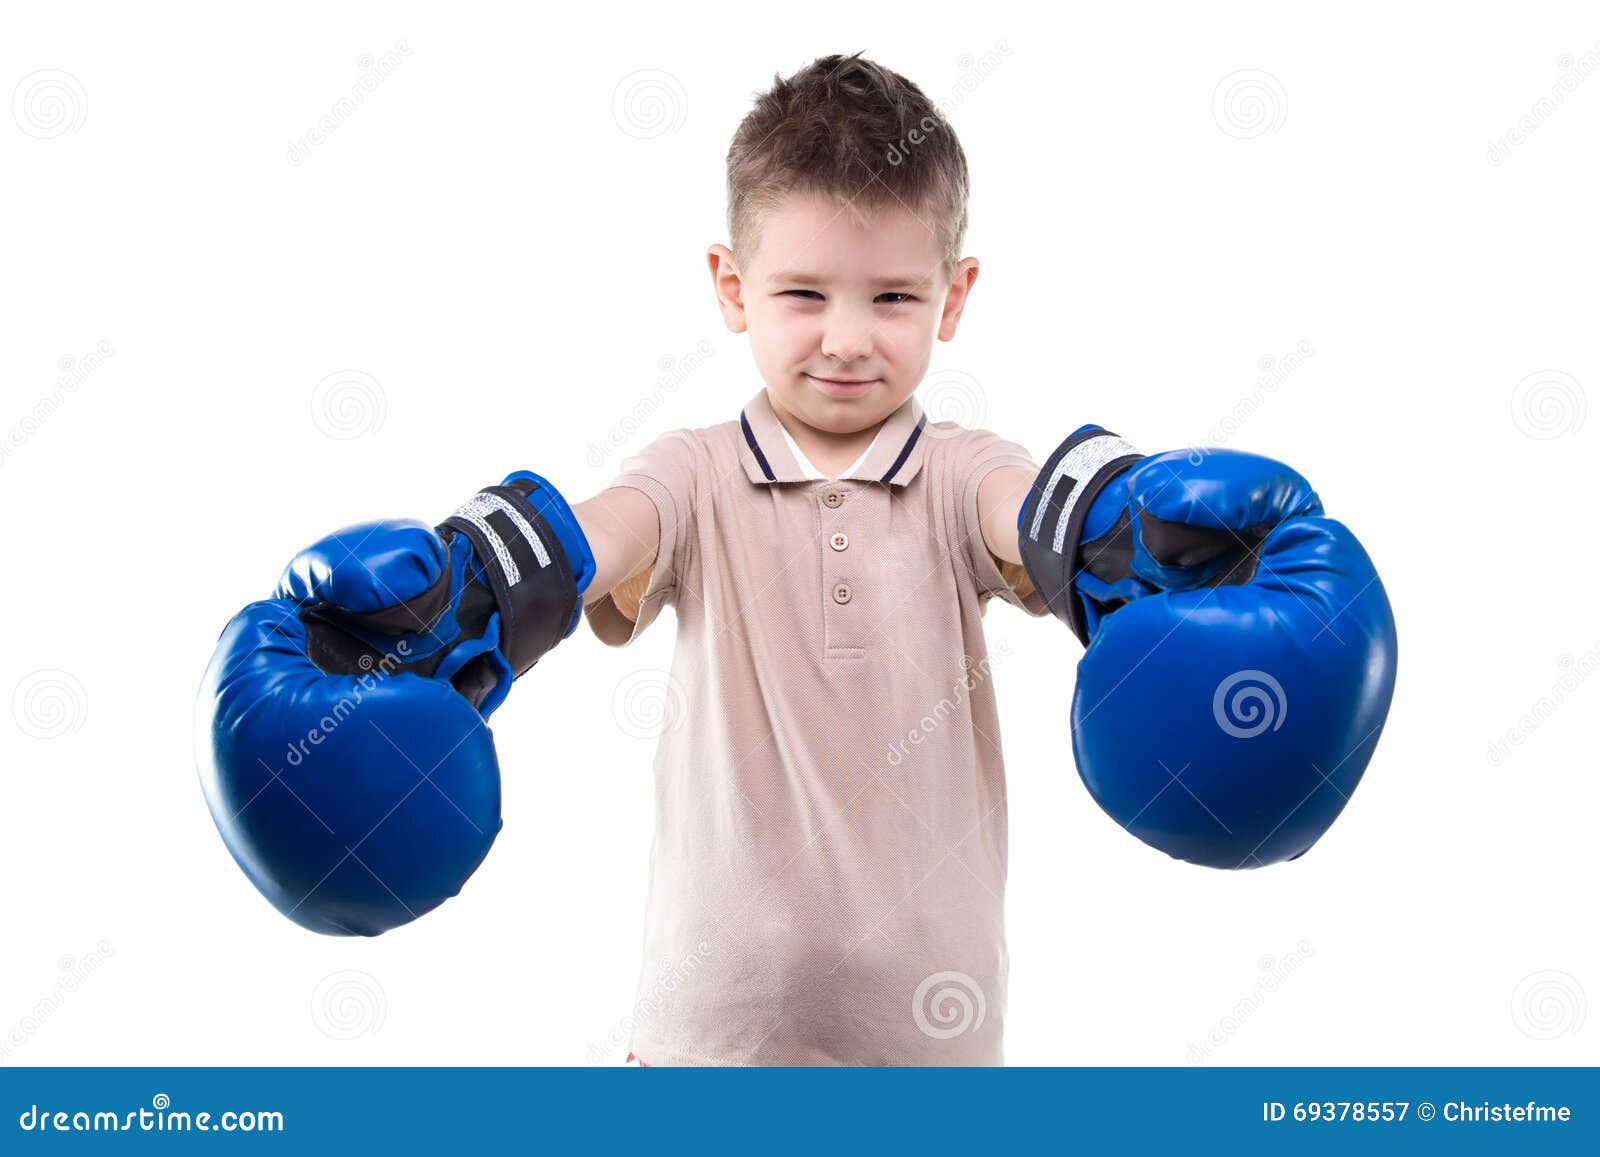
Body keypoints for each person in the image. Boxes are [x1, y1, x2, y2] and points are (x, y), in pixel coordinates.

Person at [198, 53, 1396, 1067]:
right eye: (802, 292)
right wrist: (465, 584)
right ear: (731, 287)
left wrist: (1123, 524)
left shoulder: (959, 472)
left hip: (934, 1049)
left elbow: (1033, 513)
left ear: (953, 295)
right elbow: (601, 529)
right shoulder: (698, 470)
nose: (844, 337)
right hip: (699, 1046)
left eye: (890, 296)